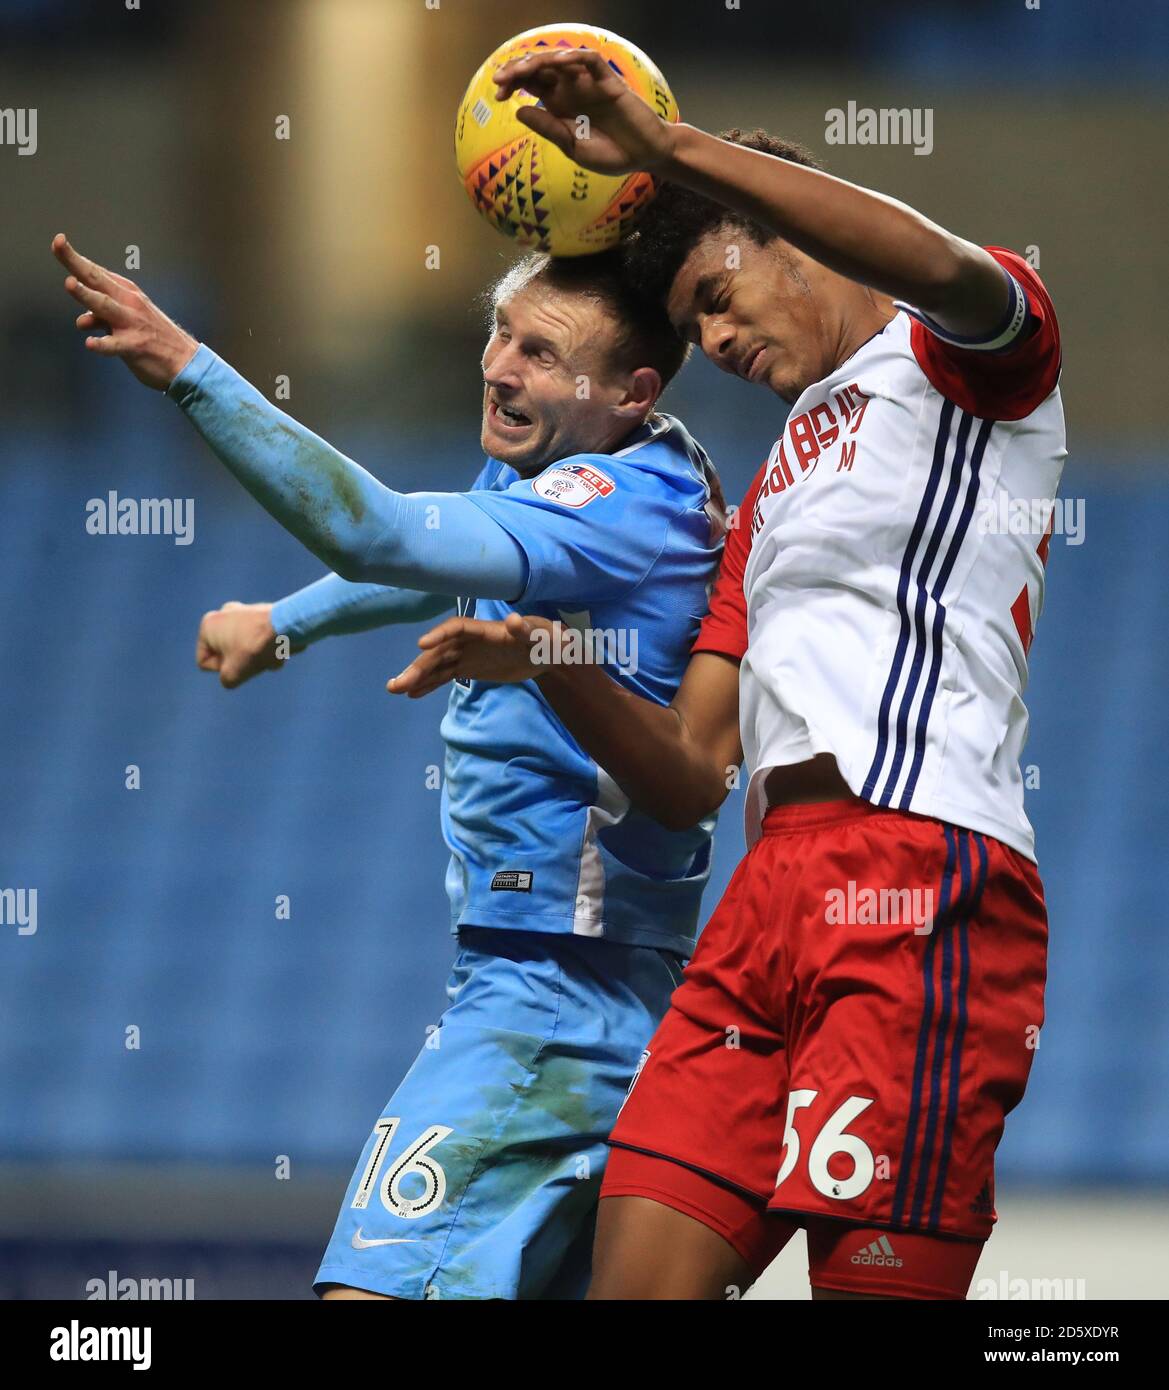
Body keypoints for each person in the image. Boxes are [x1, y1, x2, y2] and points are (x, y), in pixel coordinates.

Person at [400, 51, 1066, 1300]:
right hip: (763, 907)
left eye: (718, 291)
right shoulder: (761, 504)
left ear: (781, 226)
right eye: (694, 328)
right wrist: (553, 656)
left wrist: (667, 150)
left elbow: (925, 258)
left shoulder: (968, 363)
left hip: (920, 882)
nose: (713, 337)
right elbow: (684, 775)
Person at [51, 233, 728, 1299]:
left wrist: (190, 368)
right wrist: (286, 621)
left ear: (630, 391)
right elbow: (437, 565)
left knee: (366, 1289)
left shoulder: (616, 505)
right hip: (584, 984)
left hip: (546, 998)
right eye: (500, 332)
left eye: (542, 354)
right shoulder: (593, 478)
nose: (499, 365)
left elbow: (383, 536)